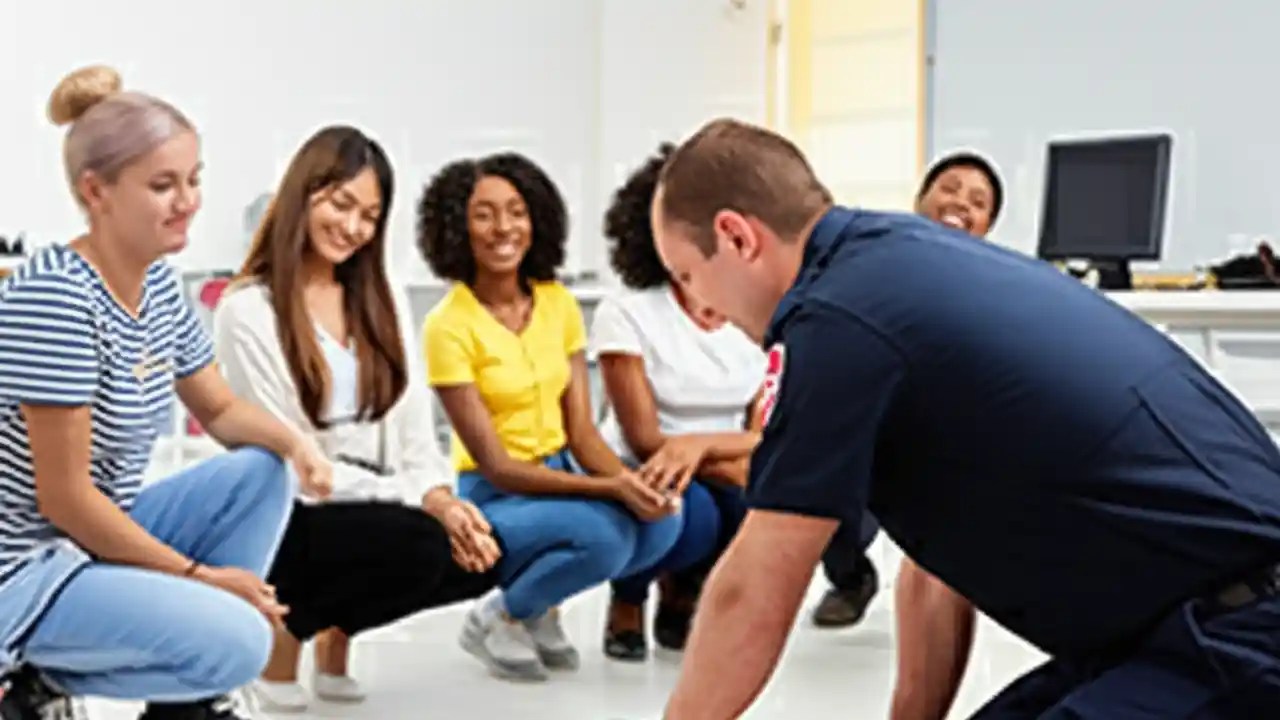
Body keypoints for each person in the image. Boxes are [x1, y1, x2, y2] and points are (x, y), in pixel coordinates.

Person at [654, 118, 1280, 719]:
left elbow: (756, 587)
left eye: (688, 276)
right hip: (1178, 629)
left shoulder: (835, 318)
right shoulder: (897, 266)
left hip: (1241, 630)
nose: (702, 311)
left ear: (737, 238)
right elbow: (936, 570)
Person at [0, 65, 333, 720]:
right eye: (163, 185)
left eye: (193, 179)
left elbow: (219, 408)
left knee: (261, 471)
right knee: (241, 641)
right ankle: (31, 681)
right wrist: (203, 581)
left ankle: (185, 705)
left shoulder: (157, 285)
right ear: (96, 191)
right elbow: (64, 499)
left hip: (85, 542)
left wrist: (297, 445)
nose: (188, 201)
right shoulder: (54, 299)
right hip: (23, 567)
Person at [213, 125, 502, 713]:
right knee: (420, 544)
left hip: (378, 498)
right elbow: (295, 462)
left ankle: (331, 631)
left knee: (488, 553)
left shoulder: (379, 295)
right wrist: (416, 501)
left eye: (369, 216)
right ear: (302, 194)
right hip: (294, 507)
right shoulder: (248, 309)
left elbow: (413, 423)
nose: (352, 227)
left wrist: (440, 497)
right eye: (340, 203)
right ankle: (285, 637)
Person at [418, 152, 683, 682]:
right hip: (496, 492)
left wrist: (630, 483)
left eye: (517, 212)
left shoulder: (557, 303)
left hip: (562, 469)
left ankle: (536, 607)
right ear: (456, 228)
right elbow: (497, 466)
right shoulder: (446, 326)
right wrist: (610, 489)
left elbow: (581, 433)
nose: (503, 228)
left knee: (663, 522)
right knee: (604, 539)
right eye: (484, 215)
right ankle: (500, 615)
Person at [812, 150, 1004, 629]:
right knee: (827, 482)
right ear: (921, 199)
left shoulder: (995, 282)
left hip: (948, 423)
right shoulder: (875, 253)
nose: (960, 203)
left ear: (987, 225)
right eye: (950, 189)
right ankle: (851, 577)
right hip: (870, 408)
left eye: (977, 201)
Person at [591, 143, 761, 660]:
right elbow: (644, 437)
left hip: (723, 461)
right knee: (696, 514)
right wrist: (725, 462)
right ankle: (630, 595)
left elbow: (764, 430)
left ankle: (685, 591)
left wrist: (709, 452)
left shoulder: (759, 314)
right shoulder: (627, 312)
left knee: (753, 506)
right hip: (646, 463)